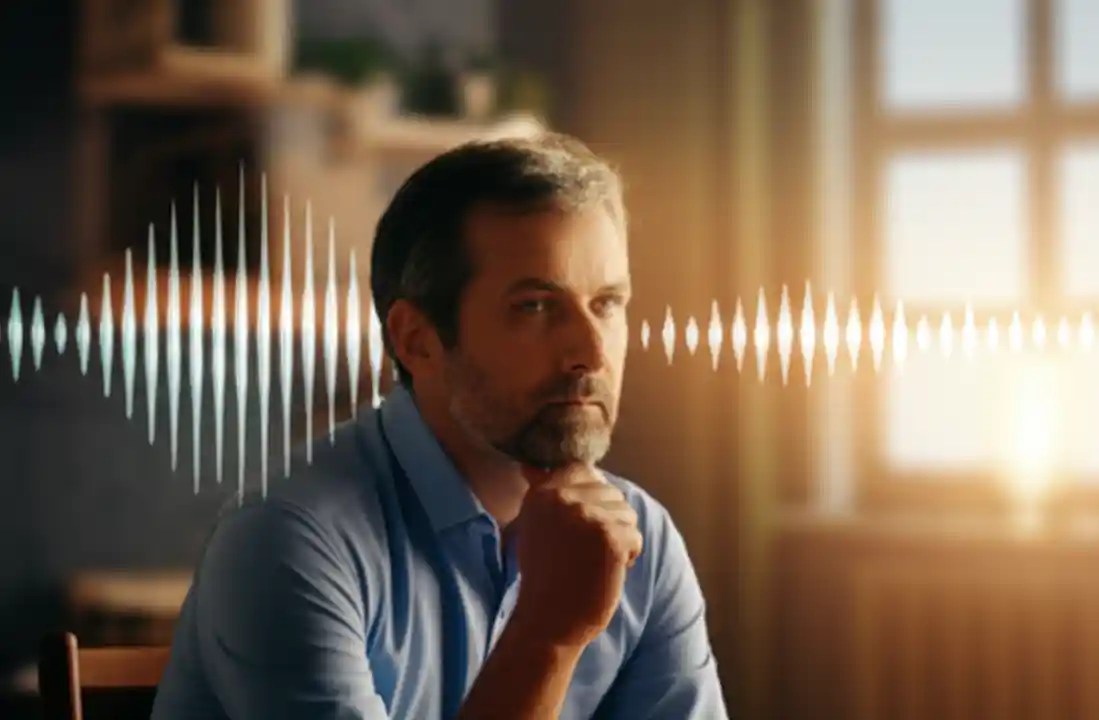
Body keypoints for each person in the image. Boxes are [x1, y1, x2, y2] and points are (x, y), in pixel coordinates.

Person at [152, 133, 728, 719]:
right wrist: (548, 635)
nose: (590, 351)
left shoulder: (640, 538)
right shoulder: (288, 541)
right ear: (417, 340)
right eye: (534, 306)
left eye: (606, 304)